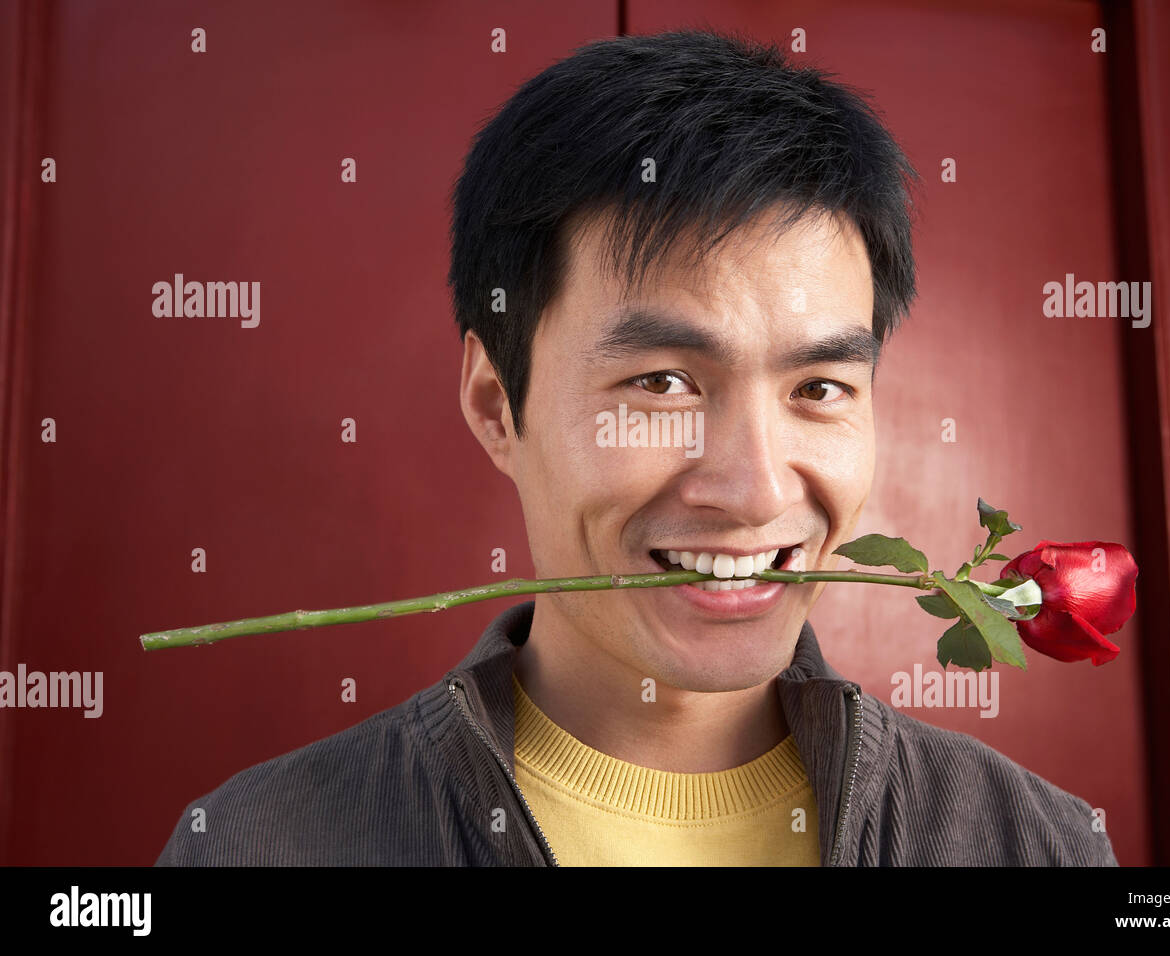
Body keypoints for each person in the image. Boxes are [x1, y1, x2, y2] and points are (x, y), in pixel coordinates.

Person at [156, 29, 1119, 866]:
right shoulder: (258, 845)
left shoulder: (1035, 843)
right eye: (661, 383)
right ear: (499, 406)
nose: (752, 490)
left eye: (818, 389)